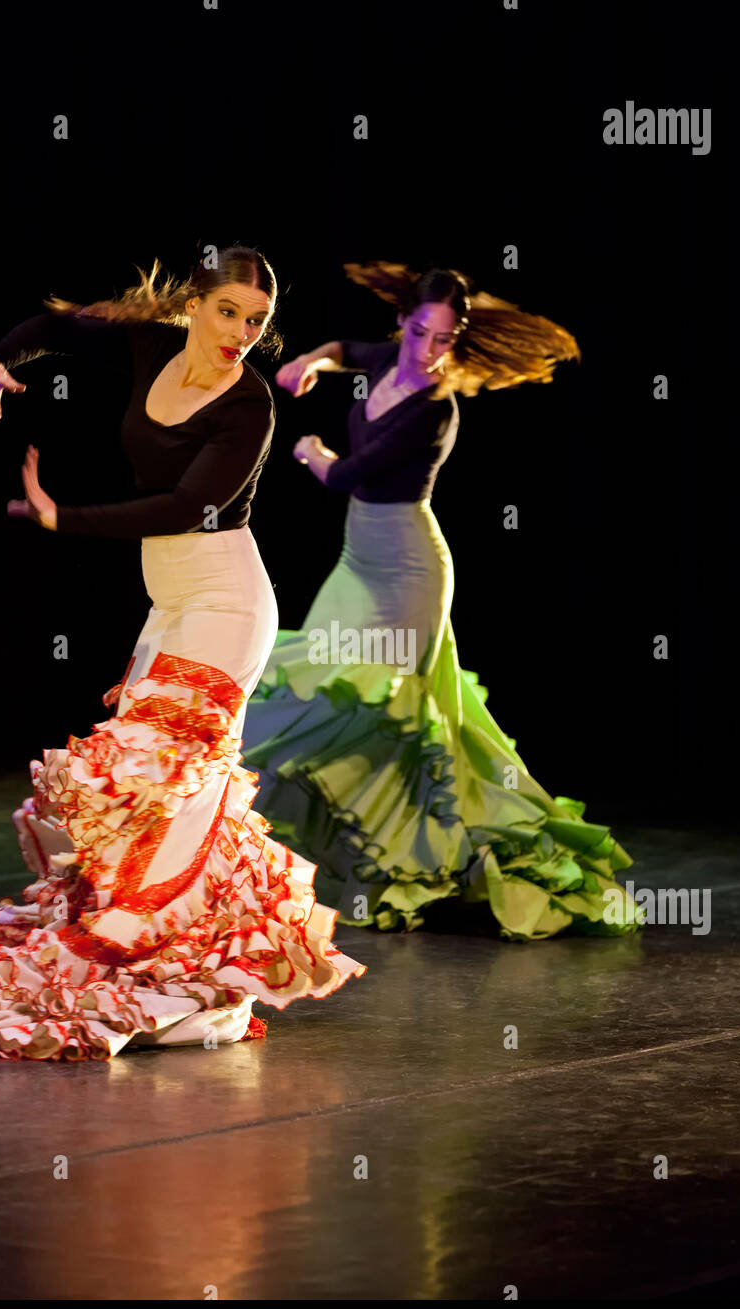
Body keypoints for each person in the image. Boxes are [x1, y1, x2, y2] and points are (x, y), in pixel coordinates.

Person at [0, 245, 365, 1062]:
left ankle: (168, 974)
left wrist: (67, 519)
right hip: (170, 604)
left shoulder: (250, 407)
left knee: (162, 781)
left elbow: (189, 506)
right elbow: (64, 323)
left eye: (257, 321)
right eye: (227, 311)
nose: (240, 332)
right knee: (162, 800)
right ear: (194, 306)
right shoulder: (149, 344)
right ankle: (197, 983)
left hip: (228, 605)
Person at [240, 260, 642, 940]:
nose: (431, 350)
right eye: (423, 333)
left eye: (445, 339)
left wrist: (308, 449)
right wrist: (310, 360)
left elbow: (347, 473)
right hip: (355, 559)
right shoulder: (384, 358)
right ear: (403, 323)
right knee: (324, 690)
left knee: (401, 709)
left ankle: (441, 860)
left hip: (408, 570)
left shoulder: (434, 410)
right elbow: (344, 351)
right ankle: (367, 855)